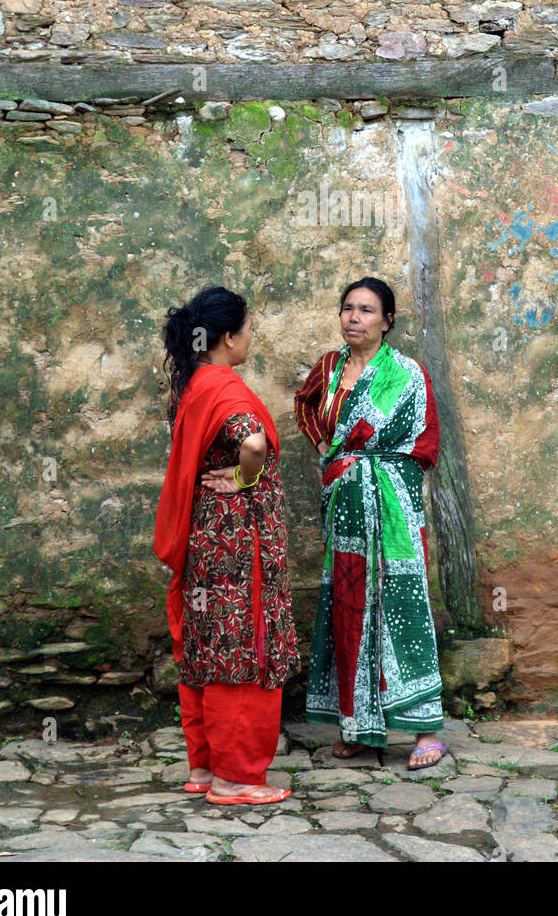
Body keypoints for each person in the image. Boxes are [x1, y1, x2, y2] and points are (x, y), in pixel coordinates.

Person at [294, 277, 447, 771]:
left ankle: (426, 731)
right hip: (345, 511)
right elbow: (304, 405)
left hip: (393, 512)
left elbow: (425, 444)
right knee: (349, 608)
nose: (354, 318)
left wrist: (374, 470)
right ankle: (359, 726)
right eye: (347, 309)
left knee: (403, 609)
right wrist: (327, 451)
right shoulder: (330, 367)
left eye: (365, 310)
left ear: (387, 320)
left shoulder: (406, 374)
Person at [154, 285, 299, 805]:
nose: (250, 338)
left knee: (205, 640)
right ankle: (236, 778)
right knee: (243, 642)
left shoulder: (192, 385)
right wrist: (243, 475)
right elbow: (254, 441)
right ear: (229, 336)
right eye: (248, 329)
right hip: (239, 538)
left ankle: (204, 767)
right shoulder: (228, 390)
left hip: (202, 537)